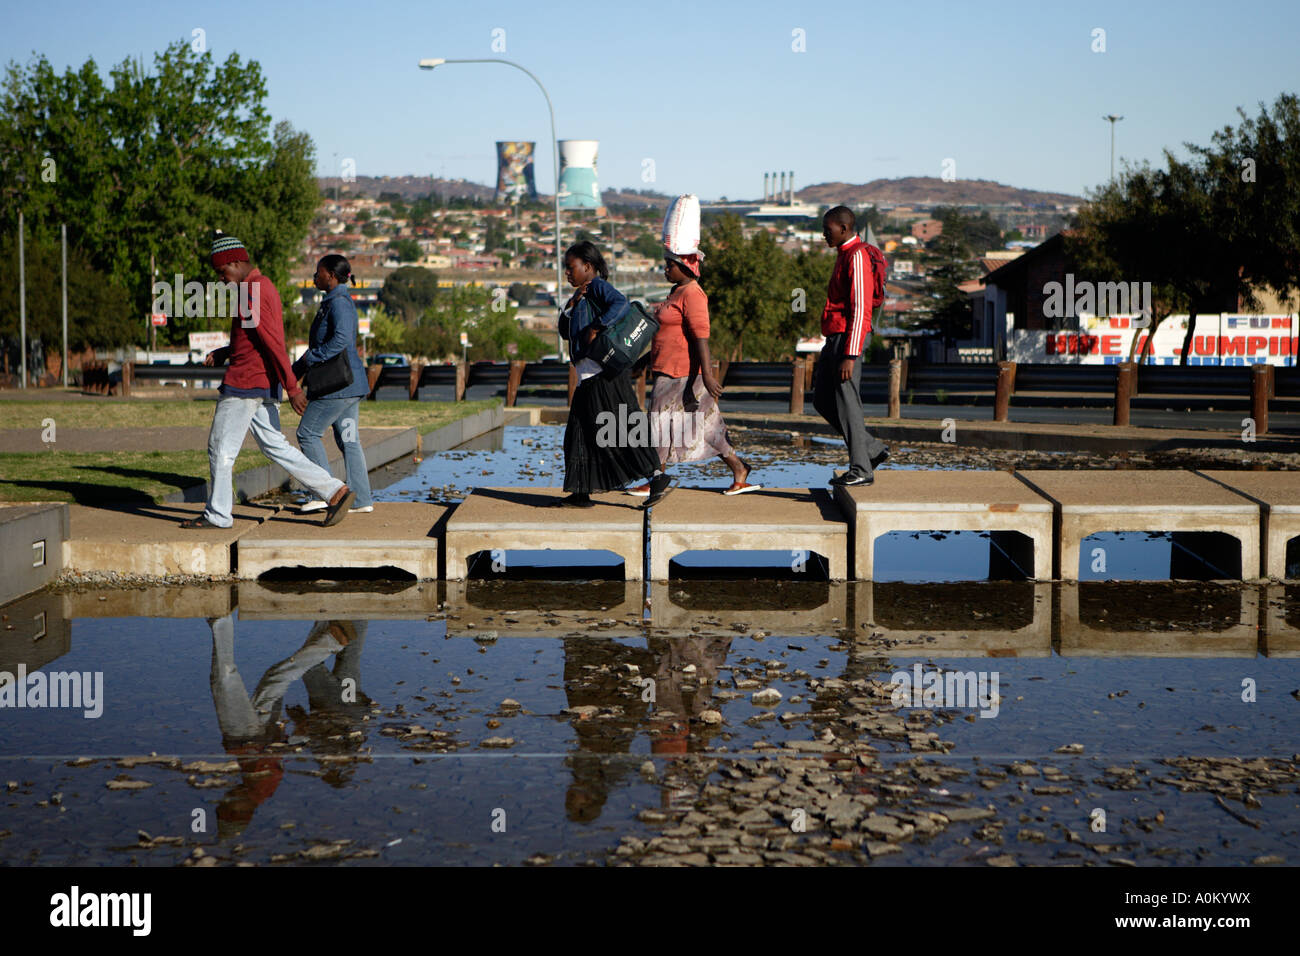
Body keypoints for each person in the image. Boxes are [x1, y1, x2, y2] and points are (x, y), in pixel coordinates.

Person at [182, 232, 353, 529]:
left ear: (235, 262)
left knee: (220, 448)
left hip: (246, 382)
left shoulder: (253, 291)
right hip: (258, 380)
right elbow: (256, 338)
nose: (221, 279)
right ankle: (333, 490)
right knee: (275, 446)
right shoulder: (259, 286)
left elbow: (273, 341)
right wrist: (226, 351)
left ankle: (218, 514)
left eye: (222, 272)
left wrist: (292, 386)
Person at [626, 250, 760, 496]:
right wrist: (645, 360)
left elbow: (701, 337)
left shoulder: (693, 294)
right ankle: (739, 469)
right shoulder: (676, 291)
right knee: (708, 427)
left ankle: (656, 478)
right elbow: (666, 336)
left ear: (685, 267)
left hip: (683, 374)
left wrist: (707, 375)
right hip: (669, 369)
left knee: (657, 423)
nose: (665, 269)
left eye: (670, 265)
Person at [557, 241, 670, 508]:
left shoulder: (597, 286)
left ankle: (656, 477)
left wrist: (598, 326)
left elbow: (621, 304)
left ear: (588, 266)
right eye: (566, 268)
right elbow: (565, 332)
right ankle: (581, 491)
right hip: (588, 377)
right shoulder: (581, 296)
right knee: (579, 435)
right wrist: (571, 305)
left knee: (621, 428)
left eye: (571, 267)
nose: (567, 273)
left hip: (603, 375)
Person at [291, 254, 374, 515]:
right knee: (350, 441)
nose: (315, 277)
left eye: (319, 272)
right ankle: (361, 500)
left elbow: (341, 339)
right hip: (351, 386)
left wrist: (309, 358)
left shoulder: (338, 302)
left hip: (338, 386)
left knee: (307, 433)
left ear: (332, 275)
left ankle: (324, 492)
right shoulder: (338, 300)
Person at [814, 206, 890, 486]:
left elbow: (861, 310)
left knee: (848, 403)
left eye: (828, 229)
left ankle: (862, 470)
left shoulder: (857, 256)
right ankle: (871, 449)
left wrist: (850, 354)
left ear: (844, 228)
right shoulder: (844, 254)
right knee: (822, 400)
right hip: (835, 338)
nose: (824, 235)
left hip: (849, 339)